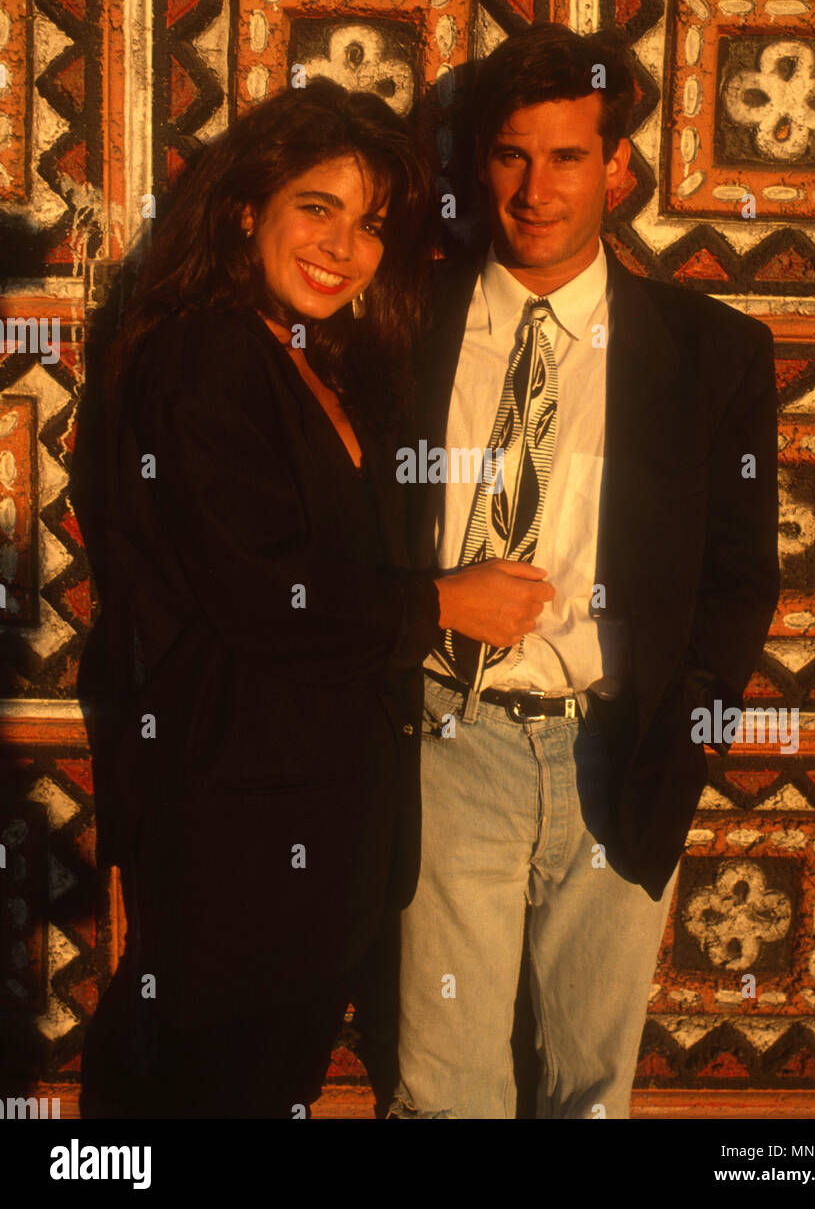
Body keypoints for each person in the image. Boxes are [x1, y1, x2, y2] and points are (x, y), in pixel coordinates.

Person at [75, 78, 550, 1119]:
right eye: (317, 208)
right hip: (233, 804)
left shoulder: (307, 356)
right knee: (204, 1079)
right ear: (248, 207)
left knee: (263, 1068)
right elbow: (259, 593)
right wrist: (439, 604)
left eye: (371, 224)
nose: (342, 246)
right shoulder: (201, 354)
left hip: (319, 806)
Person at [390, 24, 781, 1120]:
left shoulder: (712, 351)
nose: (535, 187)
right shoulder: (402, 321)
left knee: (586, 1088)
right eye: (512, 154)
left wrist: (685, 722)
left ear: (617, 167)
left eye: (567, 157)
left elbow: (741, 573)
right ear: (480, 162)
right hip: (441, 738)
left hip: (616, 749)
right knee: (441, 1084)